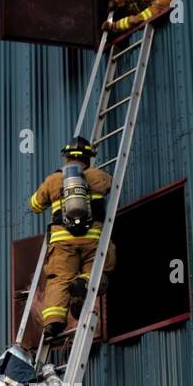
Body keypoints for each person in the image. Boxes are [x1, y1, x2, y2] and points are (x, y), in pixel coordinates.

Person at [29, 137, 114, 340]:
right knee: (102, 265)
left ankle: (54, 322)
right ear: (87, 158)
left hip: (62, 242)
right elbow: (111, 184)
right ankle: (84, 283)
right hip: (92, 238)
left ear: (66, 158)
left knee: (59, 279)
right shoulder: (97, 176)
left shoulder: (53, 180)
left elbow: (35, 205)